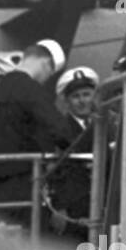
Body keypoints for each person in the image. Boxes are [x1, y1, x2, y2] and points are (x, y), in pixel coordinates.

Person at [0, 39, 77, 227]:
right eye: (50, 73)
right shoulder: (32, 91)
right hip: (27, 187)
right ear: (46, 63)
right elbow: (63, 133)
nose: (46, 78)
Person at [45, 67, 99, 237]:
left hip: (102, 206)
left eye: (86, 94)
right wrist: (59, 209)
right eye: (76, 96)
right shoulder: (58, 130)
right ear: (66, 101)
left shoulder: (106, 125)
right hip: (73, 210)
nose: (82, 101)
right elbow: (53, 172)